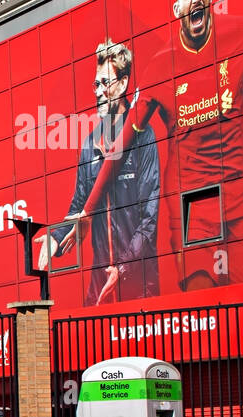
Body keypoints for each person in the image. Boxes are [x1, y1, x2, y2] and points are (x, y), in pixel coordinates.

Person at [129, 0, 243, 288]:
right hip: (190, 201)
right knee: (202, 299)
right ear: (177, 7)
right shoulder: (161, 66)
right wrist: (83, 214)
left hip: (239, 196)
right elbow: (124, 142)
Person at [37, 40, 161, 304]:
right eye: (96, 84)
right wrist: (55, 239)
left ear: (124, 84)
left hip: (138, 283)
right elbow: (78, 206)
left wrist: (123, 268)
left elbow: (149, 219)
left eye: (106, 83)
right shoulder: (90, 145)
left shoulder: (143, 136)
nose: (99, 92)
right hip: (100, 285)